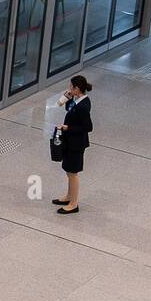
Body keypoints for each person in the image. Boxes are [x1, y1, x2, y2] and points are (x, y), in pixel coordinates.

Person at [52, 75, 93, 214]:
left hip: (77, 143)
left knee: (73, 173)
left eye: (71, 87)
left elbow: (88, 127)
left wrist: (68, 128)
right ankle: (69, 196)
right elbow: (69, 110)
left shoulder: (84, 106)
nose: (69, 89)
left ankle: (74, 203)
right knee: (68, 170)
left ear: (77, 88)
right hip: (70, 141)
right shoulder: (76, 100)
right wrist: (66, 99)